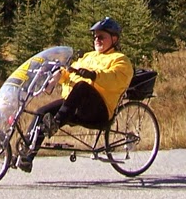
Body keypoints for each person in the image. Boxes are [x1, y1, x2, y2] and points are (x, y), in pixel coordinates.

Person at [17, 17, 134, 173]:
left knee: (82, 87)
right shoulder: (88, 56)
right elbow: (72, 73)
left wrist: (94, 75)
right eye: (95, 37)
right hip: (76, 105)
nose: (97, 40)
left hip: (99, 111)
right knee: (41, 112)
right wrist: (61, 75)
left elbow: (115, 79)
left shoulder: (120, 60)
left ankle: (56, 123)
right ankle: (26, 157)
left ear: (114, 38)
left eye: (101, 37)